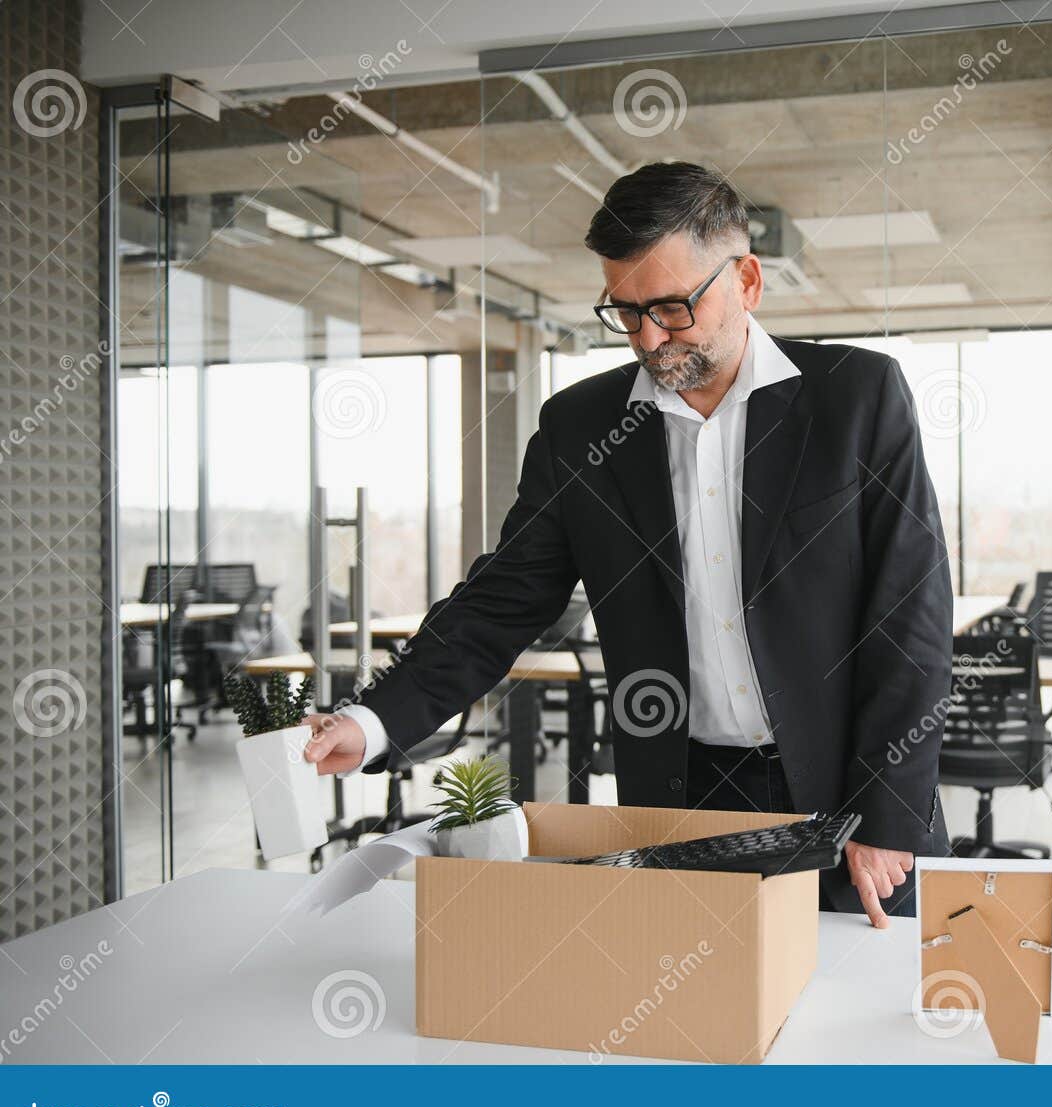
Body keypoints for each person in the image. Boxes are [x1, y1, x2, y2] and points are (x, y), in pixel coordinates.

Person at [304, 161, 953, 925]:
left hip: (851, 801)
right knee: (695, 1028)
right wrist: (373, 719)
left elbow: (910, 617)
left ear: (746, 280)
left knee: (859, 1032)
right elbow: (500, 602)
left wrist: (885, 813)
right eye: (626, 311)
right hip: (683, 802)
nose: (648, 336)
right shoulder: (581, 429)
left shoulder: (857, 396)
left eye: (674, 308)